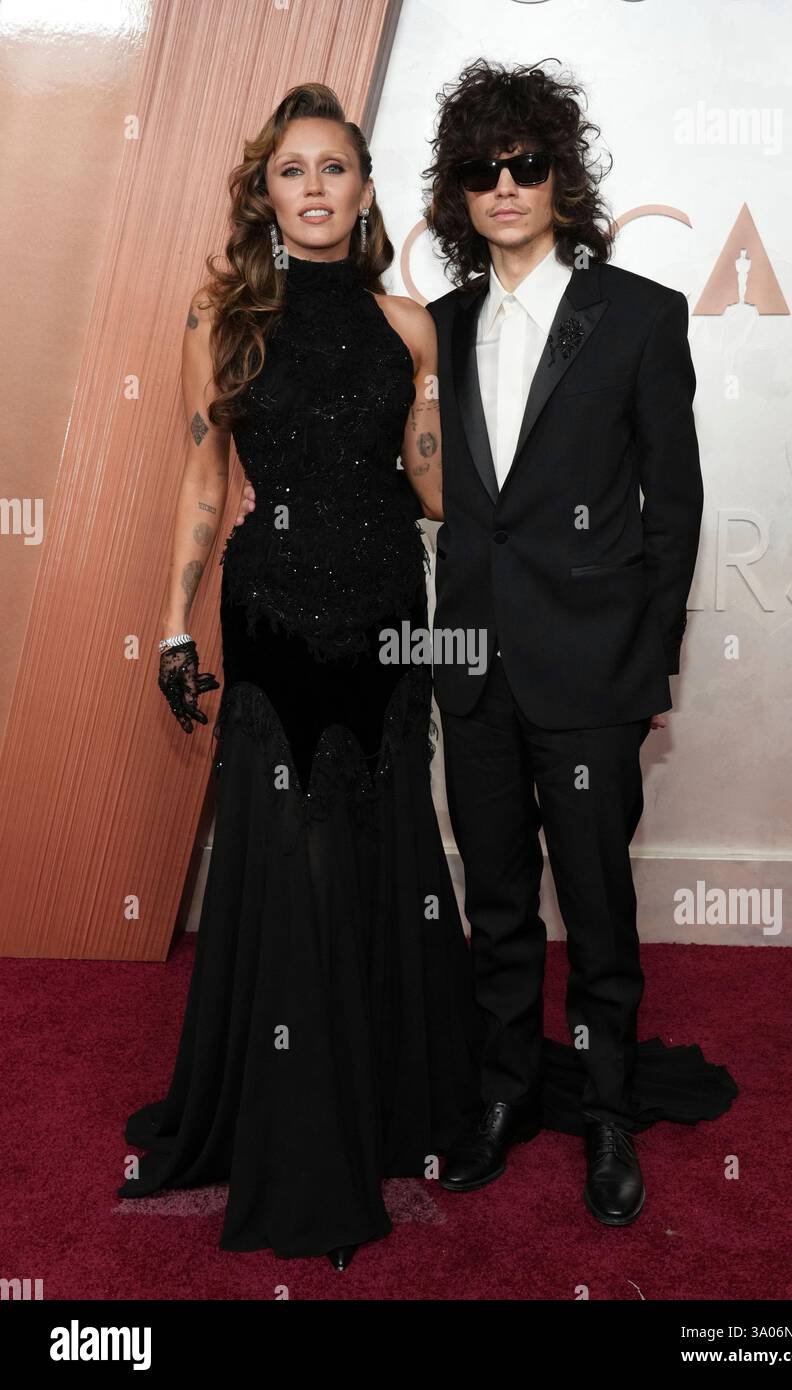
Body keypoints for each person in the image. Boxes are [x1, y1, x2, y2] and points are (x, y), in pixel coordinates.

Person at [116, 83, 481, 1269]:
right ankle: (298, 1127)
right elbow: (204, 482)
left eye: (334, 169)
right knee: (297, 861)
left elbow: (431, 487)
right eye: (292, 171)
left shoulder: (411, 324)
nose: (314, 188)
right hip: (270, 611)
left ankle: (386, 1108)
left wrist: (536, 526)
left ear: (365, 192)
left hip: (386, 612)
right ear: (264, 194)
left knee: (383, 853)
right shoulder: (220, 316)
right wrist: (173, 624)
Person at [419, 58, 737, 1224]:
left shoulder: (637, 315)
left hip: (591, 672)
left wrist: (645, 667)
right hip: (475, 668)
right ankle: (505, 1091)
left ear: (559, 173)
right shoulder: (439, 329)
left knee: (596, 907)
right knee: (494, 899)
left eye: (525, 162)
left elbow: (678, 506)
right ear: (456, 191)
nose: (504, 184)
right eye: (479, 168)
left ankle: (606, 1111)